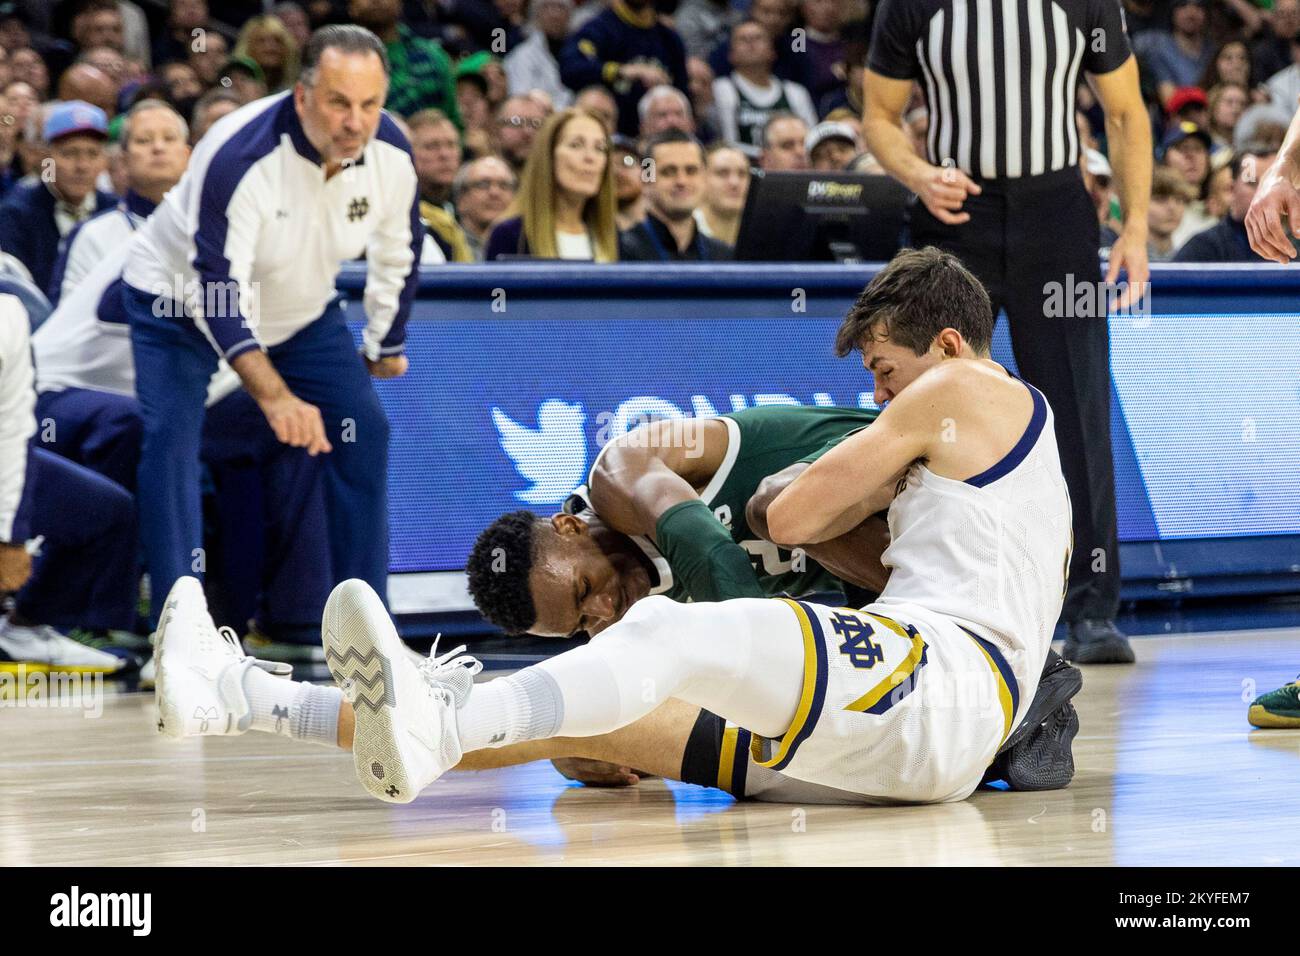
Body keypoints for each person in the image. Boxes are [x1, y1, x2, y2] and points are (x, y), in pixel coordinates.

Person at [154, 247, 1078, 807]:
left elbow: (788, 513)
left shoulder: (967, 390)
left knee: (659, 630)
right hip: (908, 731)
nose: (877, 396)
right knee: (588, 724)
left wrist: (773, 503)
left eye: (883, 371)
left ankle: (430, 714)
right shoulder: (988, 471)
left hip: (939, 677)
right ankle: (237, 695)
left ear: (950, 347)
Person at [864, 0, 1152, 664]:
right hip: (953, 211)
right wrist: (916, 173)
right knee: (924, 403)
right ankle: (927, 591)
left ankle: (1091, 608)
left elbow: (1127, 112)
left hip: (1054, 212)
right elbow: (878, 116)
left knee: (1077, 408)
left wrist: (1135, 225)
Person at [119, 25, 421, 628]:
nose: (355, 122)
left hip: (300, 308)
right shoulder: (241, 157)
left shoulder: (391, 153)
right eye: (339, 102)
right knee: (173, 440)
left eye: (369, 104)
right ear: (303, 96)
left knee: (366, 430)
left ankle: (368, 630)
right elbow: (220, 294)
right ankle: (182, 630)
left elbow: (399, 249)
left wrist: (384, 342)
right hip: (178, 302)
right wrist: (276, 397)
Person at [0, 292, 133, 674]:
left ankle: (24, 628)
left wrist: (10, 536)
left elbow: (12, 430)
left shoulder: (8, 313)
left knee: (106, 511)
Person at [50, 99, 191, 305]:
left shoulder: (212, 225)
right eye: (144, 140)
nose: (158, 147)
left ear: (188, 154)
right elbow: (66, 324)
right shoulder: (92, 234)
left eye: (169, 138)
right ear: (123, 160)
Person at [0, 100, 116, 297]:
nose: (82, 166)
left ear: (104, 161)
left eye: (93, 154)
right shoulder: (16, 213)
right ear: (46, 158)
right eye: (70, 153)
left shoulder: (114, 210)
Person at [484, 107, 618, 261]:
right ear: (549, 157)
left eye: (600, 148)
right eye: (576, 145)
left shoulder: (615, 238)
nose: (590, 157)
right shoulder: (510, 236)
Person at [558, 0, 689, 139]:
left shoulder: (669, 39)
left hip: (653, 139)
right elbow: (570, 68)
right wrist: (621, 71)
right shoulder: (600, 29)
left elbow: (683, 92)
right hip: (608, 137)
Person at [617, 130, 731, 261]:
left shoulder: (724, 256)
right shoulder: (621, 251)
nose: (681, 181)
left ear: (704, 177)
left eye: (691, 171)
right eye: (669, 172)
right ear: (646, 179)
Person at [712, 20, 816, 159]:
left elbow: (811, 141)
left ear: (772, 51)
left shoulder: (795, 92)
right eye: (743, 39)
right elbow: (727, 143)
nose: (751, 44)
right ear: (731, 54)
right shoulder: (722, 88)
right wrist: (767, 157)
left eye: (758, 38)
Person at [348, 0, 462, 127]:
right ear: (351, 6)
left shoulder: (432, 56)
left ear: (400, 3)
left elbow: (454, 122)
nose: (376, 1)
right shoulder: (340, 66)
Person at [1178, 144, 1276, 261]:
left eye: (1273, 184)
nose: (1263, 192)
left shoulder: (1295, 247)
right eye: (1252, 183)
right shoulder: (1202, 248)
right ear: (1231, 188)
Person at [503, 0, 574, 109]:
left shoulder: (577, 53)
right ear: (536, 14)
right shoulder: (522, 56)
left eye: (561, 7)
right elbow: (519, 99)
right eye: (547, 7)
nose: (554, 15)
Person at [452, 156, 516, 261]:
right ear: (461, 199)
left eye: (504, 185)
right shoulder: (448, 246)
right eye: (483, 184)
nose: (495, 193)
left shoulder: (523, 246)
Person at [694, 142, 748, 243]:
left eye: (742, 174)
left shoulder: (762, 231)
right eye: (722, 173)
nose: (735, 182)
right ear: (701, 179)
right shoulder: (685, 232)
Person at [1146, 167, 1196, 261]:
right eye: (1160, 200)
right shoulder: (1124, 258)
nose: (1172, 208)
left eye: (1179, 200)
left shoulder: (1189, 256)